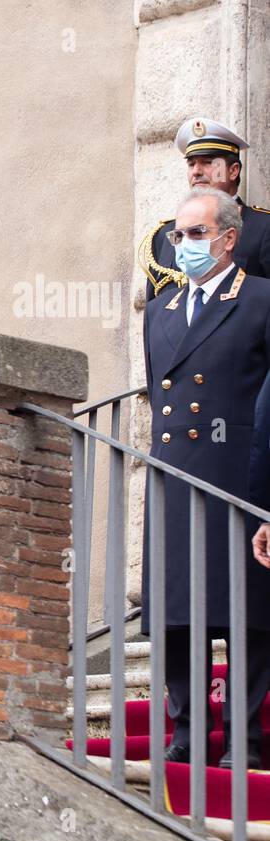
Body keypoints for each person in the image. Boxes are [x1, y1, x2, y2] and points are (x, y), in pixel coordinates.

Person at [140, 186, 270, 769]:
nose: (184, 245)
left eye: (196, 234)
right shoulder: (162, 310)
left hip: (238, 477)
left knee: (247, 614)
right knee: (178, 614)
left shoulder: (262, 299)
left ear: (228, 239)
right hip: (174, 478)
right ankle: (189, 731)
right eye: (178, 235)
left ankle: (243, 739)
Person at [139, 117, 270, 302]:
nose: (196, 171)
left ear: (233, 171)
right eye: (191, 164)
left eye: (207, 162)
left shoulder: (263, 228)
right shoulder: (166, 234)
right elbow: (155, 311)